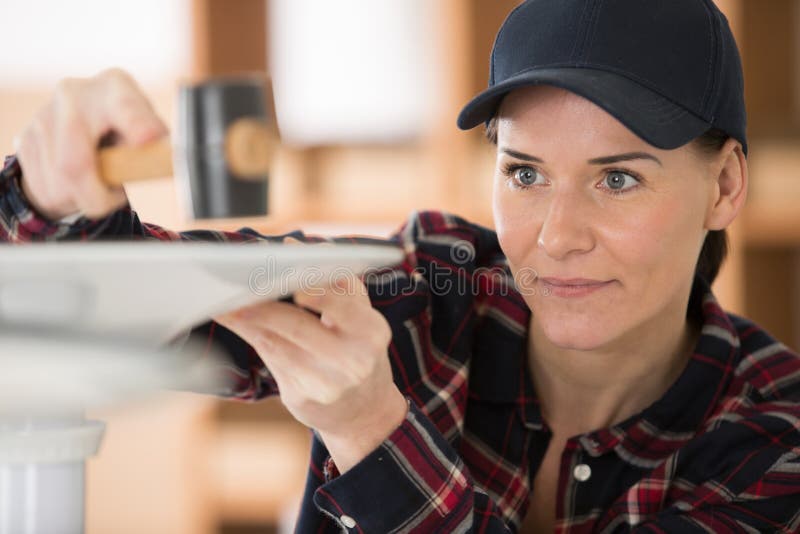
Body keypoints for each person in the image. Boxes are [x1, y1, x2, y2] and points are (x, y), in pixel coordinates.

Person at [1, 0, 799, 531]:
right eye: (524, 173)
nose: (557, 236)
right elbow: (109, 300)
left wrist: (371, 436)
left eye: (617, 178)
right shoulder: (429, 293)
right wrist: (53, 200)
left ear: (724, 184)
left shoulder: (776, 439)